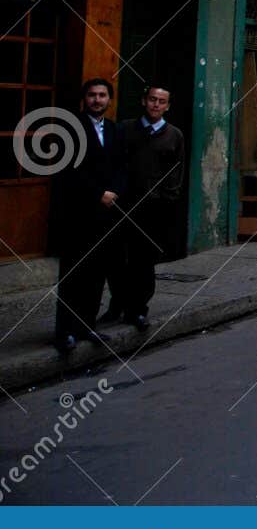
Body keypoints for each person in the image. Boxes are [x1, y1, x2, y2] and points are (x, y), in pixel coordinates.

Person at [51, 78, 123, 354]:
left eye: (102, 95)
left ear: (109, 99)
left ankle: (87, 325)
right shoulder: (71, 128)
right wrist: (98, 193)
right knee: (73, 273)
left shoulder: (115, 130)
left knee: (96, 272)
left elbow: (122, 166)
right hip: (78, 213)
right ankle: (65, 332)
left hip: (105, 215)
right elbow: (70, 171)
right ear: (85, 99)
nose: (97, 100)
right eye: (92, 95)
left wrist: (115, 190)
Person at [109, 85, 185, 331]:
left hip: (153, 207)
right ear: (144, 101)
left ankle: (138, 309)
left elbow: (176, 172)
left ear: (167, 106)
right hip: (123, 204)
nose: (156, 105)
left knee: (144, 259)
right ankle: (117, 304)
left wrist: (166, 200)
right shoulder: (125, 130)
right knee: (117, 258)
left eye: (161, 101)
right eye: (152, 99)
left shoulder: (174, 135)